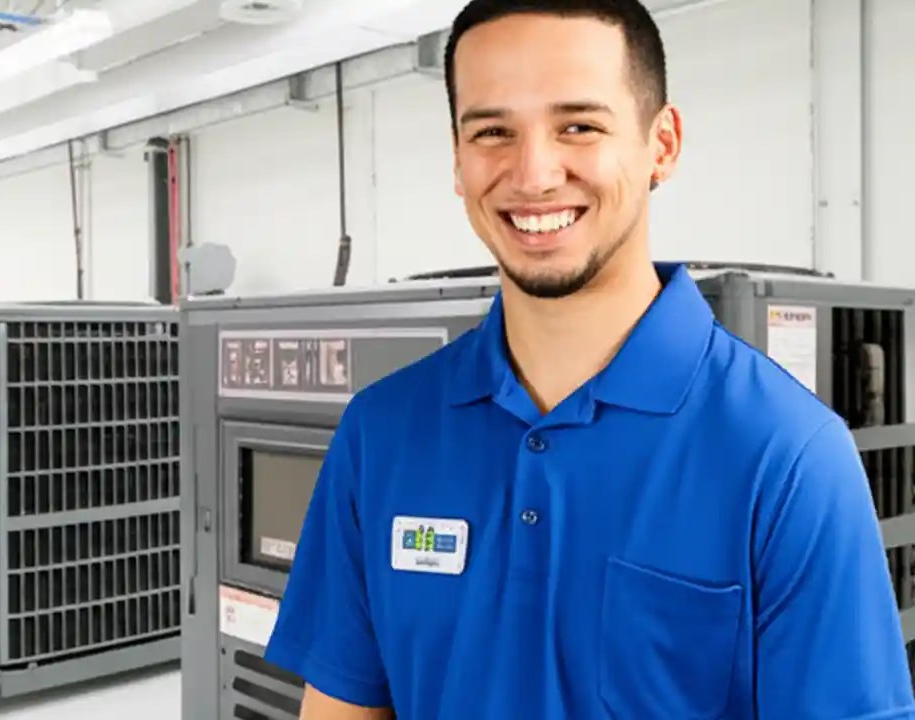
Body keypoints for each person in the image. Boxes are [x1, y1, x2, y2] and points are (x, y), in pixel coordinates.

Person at [261, 0, 915, 718]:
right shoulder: (381, 432)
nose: (534, 173)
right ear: (456, 159)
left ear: (661, 143)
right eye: (493, 131)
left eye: (579, 126)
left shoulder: (786, 457)